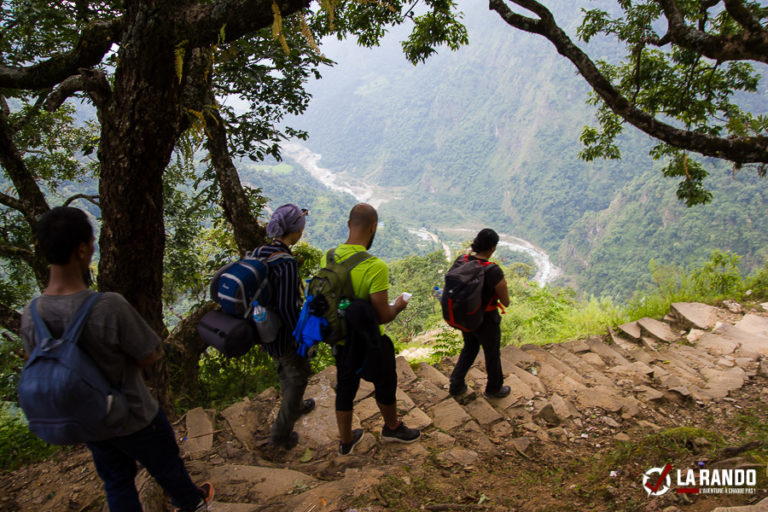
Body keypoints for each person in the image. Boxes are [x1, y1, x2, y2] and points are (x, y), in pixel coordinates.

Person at [19, 206, 213, 512]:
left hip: (89, 420)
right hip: (134, 413)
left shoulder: (31, 314)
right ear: (82, 250)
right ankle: (192, 503)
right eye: (92, 242)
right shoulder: (107, 306)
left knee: (117, 482)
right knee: (168, 470)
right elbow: (150, 355)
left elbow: (35, 360)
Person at [325, 203, 421, 455]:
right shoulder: (375, 266)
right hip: (368, 342)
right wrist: (399, 306)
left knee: (346, 387)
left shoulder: (331, 255)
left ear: (348, 224)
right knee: (385, 383)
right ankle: (392, 428)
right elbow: (381, 315)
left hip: (342, 339)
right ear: (373, 227)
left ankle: (346, 441)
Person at [261, 204, 315, 449]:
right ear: (295, 231)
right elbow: (286, 306)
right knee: (297, 377)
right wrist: (300, 337)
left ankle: (297, 404)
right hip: (282, 331)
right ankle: (280, 437)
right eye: (301, 227)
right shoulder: (285, 262)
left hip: (263, 326)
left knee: (285, 369)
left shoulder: (262, 251)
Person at [448, 228, 512, 399]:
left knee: (470, 347)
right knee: (491, 353)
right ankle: (494, 389)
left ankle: (456, 384)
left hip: (466, 315)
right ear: (492, 248)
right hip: (486, 320)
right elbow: (505, 301)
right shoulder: (493, 270)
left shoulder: (462, 260)